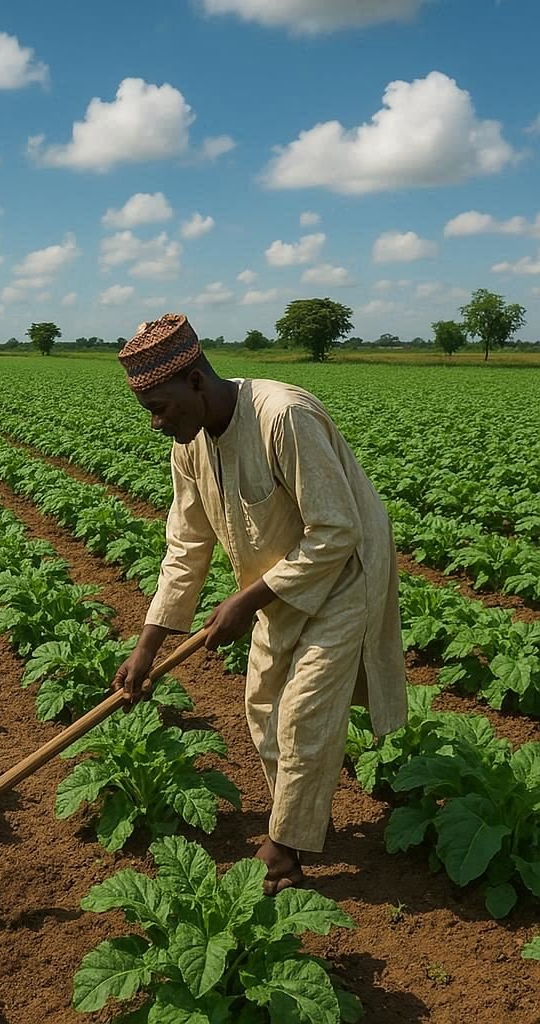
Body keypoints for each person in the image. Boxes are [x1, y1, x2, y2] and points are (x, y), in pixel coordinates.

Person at [111, 312, 407, 894]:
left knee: (304, 713)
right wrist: (147, 646)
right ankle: (295, 816)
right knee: (261, 704)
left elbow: (335, 530)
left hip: (344, 574)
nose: (156, 422)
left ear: (195, 380)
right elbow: (186, 545)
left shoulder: (283, 415)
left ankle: (285, 849)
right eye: (148, 409)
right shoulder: (190, 444)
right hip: (276, 584)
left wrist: (245, 601)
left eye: (161, 406)